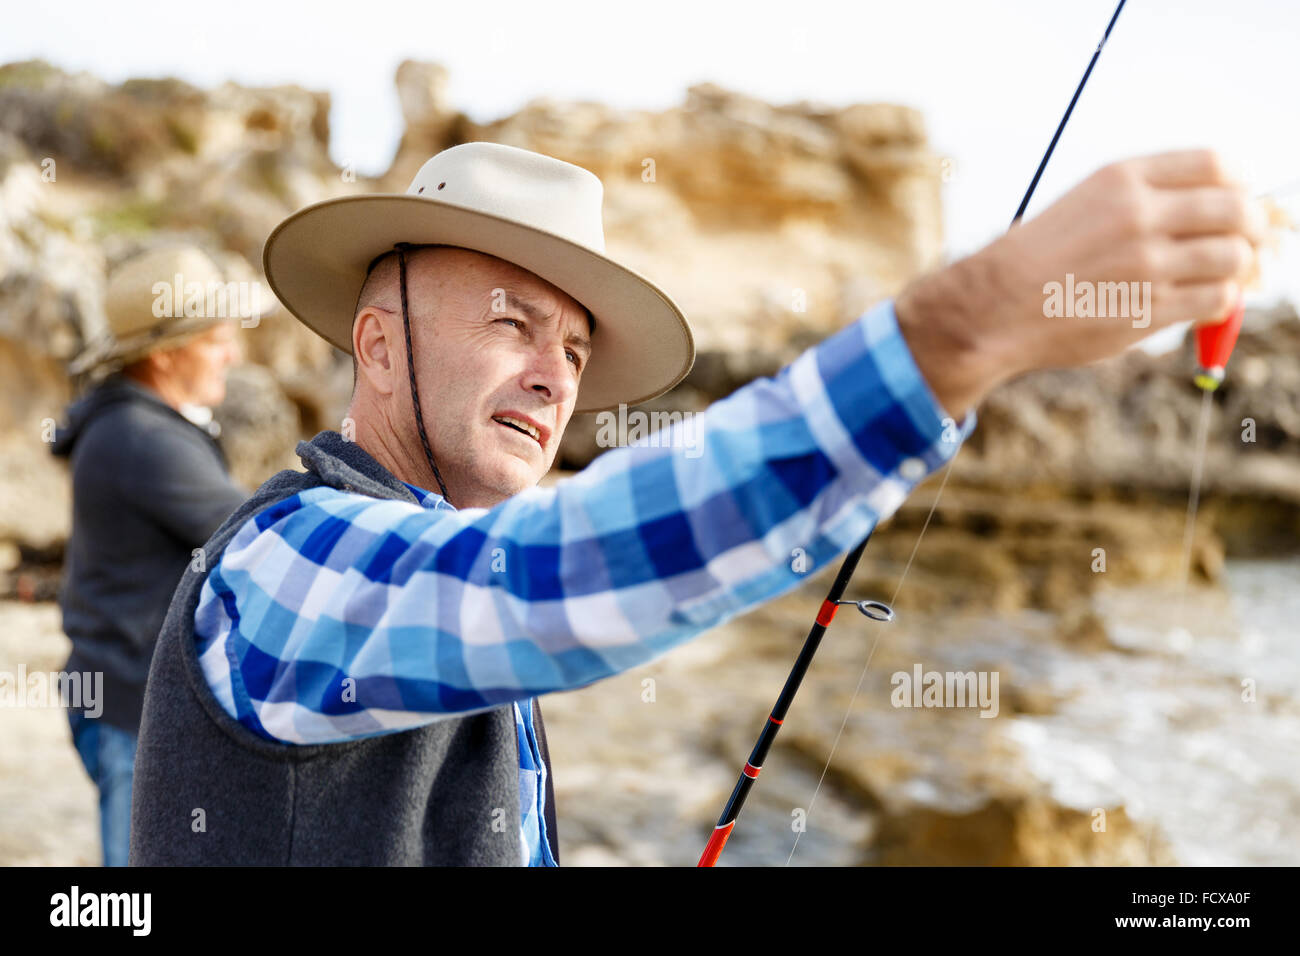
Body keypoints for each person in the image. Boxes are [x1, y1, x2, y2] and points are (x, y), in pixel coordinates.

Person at [129, 142, 1264, 866]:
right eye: (511, 322)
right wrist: (959, 334)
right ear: (377, 345)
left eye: (574, 348)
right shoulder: (289, 561)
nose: (554, 375)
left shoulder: (441, 562)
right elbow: (556, 577)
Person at [52, 245, 248, 866]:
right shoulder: (143, 439)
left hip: (118, 696)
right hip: (131, 710)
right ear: (164, 354)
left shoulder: (128, 425)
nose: (231, 354)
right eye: (215, 339)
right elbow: (252, 532)